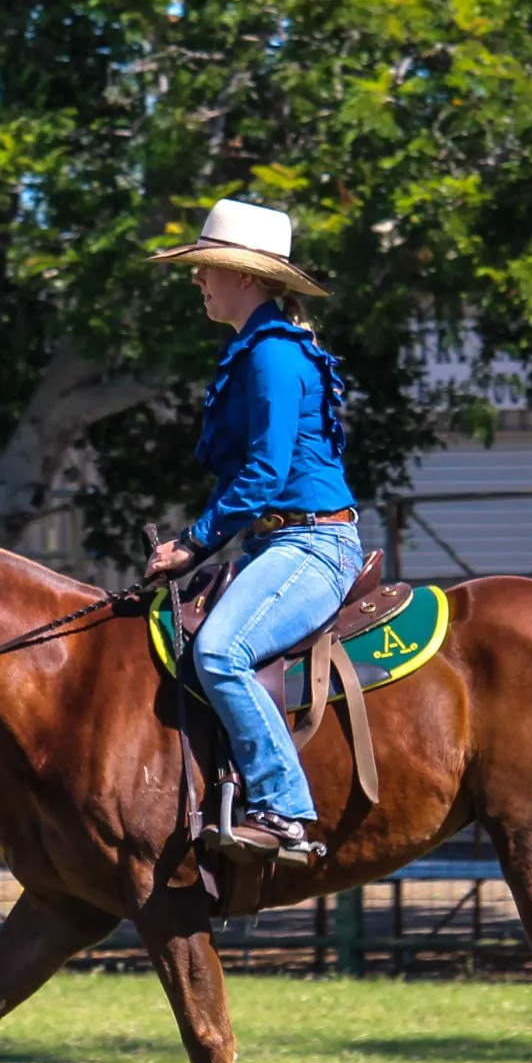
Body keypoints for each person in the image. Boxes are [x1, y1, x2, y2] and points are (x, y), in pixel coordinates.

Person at [143, 198, 362, 859]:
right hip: (280, 540)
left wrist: (190, 542)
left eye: (206, 267)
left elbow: (263, 475)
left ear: (243, 275)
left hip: (313, 543)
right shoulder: (258, 349)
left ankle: (284, 809)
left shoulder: (270, 357)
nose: (197, 279)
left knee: (219, 653)